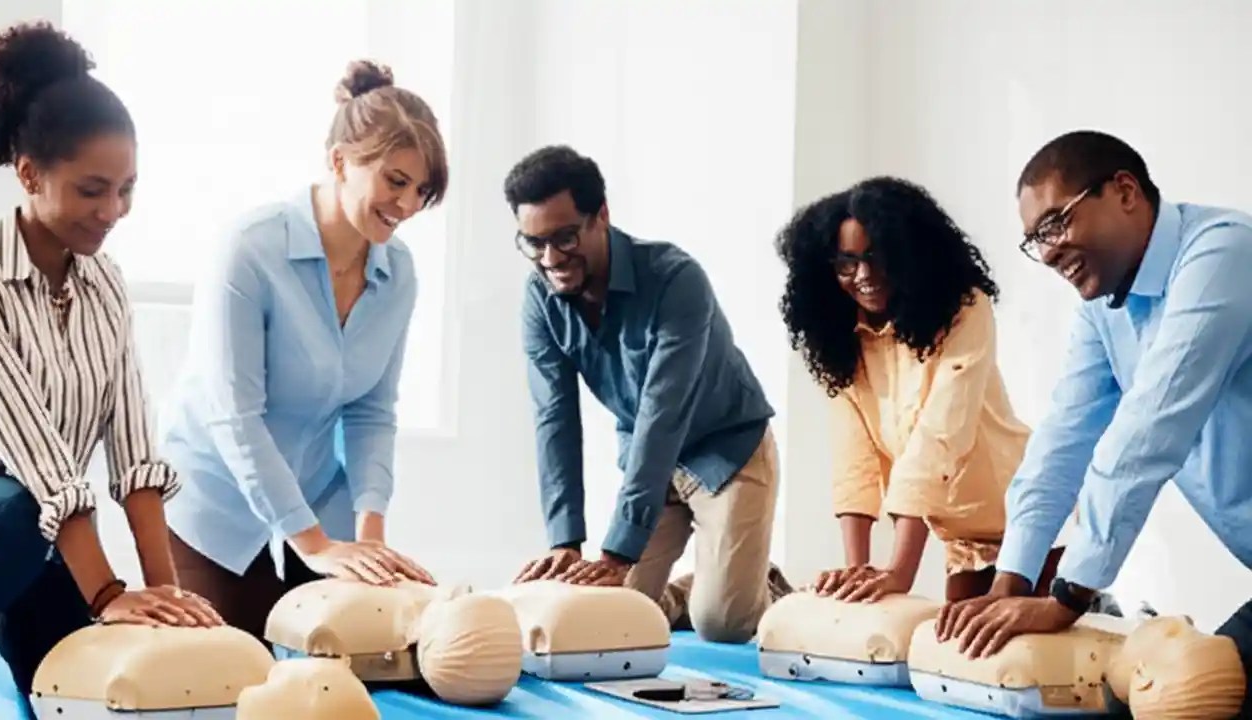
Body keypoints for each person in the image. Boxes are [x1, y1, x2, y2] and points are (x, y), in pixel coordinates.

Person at [935, 130, 1252, 715]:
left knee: (1192, 695)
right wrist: (1013, 578)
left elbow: (1148, 431)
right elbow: (1063, 441)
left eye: (1055, 223)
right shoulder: (1103, 309)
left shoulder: (1223, 255)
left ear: (1125, 191)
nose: (1049, 252)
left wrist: (1068, 595)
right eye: (1035, 240)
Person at [0, 20, 221, 707]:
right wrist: (108, 591)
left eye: (127, 188)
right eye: (91, 189)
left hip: (34, 544)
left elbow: (135, 452)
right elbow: (40, 458)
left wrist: (162, 596)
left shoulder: (106, 283)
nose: (114, 210)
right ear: (28, 174)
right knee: (14, 510)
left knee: (75, 694)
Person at [158, 60, 445, 641]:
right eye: (395, 181)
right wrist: (311, 545)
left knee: (359, 651)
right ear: (339, 160)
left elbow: (372, 411)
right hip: (214, 492)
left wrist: (368, 532)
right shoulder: (250, 249)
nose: (409, 205)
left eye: (422, 190)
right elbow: (234, 415)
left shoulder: (399, 272)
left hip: (315, 485)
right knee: (238, 664)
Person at [506, 145, 789, 643]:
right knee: (611, 616)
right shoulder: (539, 298)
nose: (550, 259)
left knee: (722, 623)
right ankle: (695, 591)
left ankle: (766, 586)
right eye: (534, 243)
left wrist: (617, 552)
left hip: (726, 452)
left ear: (602, 217)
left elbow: (664, 412)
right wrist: (566, 543)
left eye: (565, 238)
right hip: (650, 464)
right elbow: (554, 418)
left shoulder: (677, 280)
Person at [775, 176, 1061, 604]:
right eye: (846, 263)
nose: (864, 276)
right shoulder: (838, 341)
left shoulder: (965, 308)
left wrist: (898, 571)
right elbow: (856, 463)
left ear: (909, 256)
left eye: (877, 258)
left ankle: (1098, 604)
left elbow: (940, 435)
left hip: (1025, 513)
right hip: (961, 536)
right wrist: (859, 570)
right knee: (960, 650)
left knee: (1014, 651)